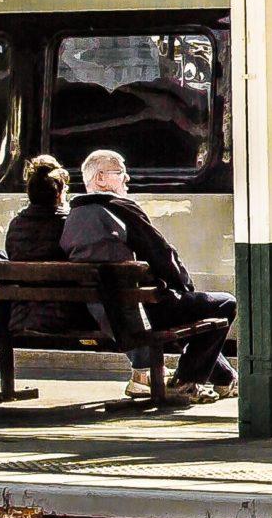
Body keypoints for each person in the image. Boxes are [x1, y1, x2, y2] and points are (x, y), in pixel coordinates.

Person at [61, 148, 236, 406]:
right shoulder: (120, 209)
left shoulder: (73, 216)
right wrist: (184, 288)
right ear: (100, 178)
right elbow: (162, 254)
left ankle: (226, 378)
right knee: (223, 304)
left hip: (105, 312)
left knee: (192, 315)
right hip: (142, 311)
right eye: (120, 172)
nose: (127, 179)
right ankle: (186, 382)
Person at [2, 154, 82, 341]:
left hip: (21, 316)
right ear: (60, 192)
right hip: (65, 316)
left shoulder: (16, 225)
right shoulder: (69, 224)